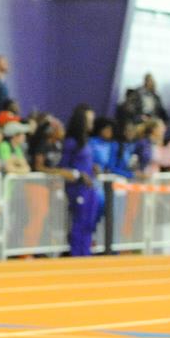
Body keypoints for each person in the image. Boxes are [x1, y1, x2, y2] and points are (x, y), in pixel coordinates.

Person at [59, 104, 101, 257]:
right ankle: (77, 254)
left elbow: (85, 163)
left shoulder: (86, 141)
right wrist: (79, 174)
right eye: (89, 120)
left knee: (89, 222)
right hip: (77, 188)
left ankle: (86, 253)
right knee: (80, 222)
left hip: (90, 187)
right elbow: (63, 166)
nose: (92, 123)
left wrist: (93, 167)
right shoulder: (71, 142)